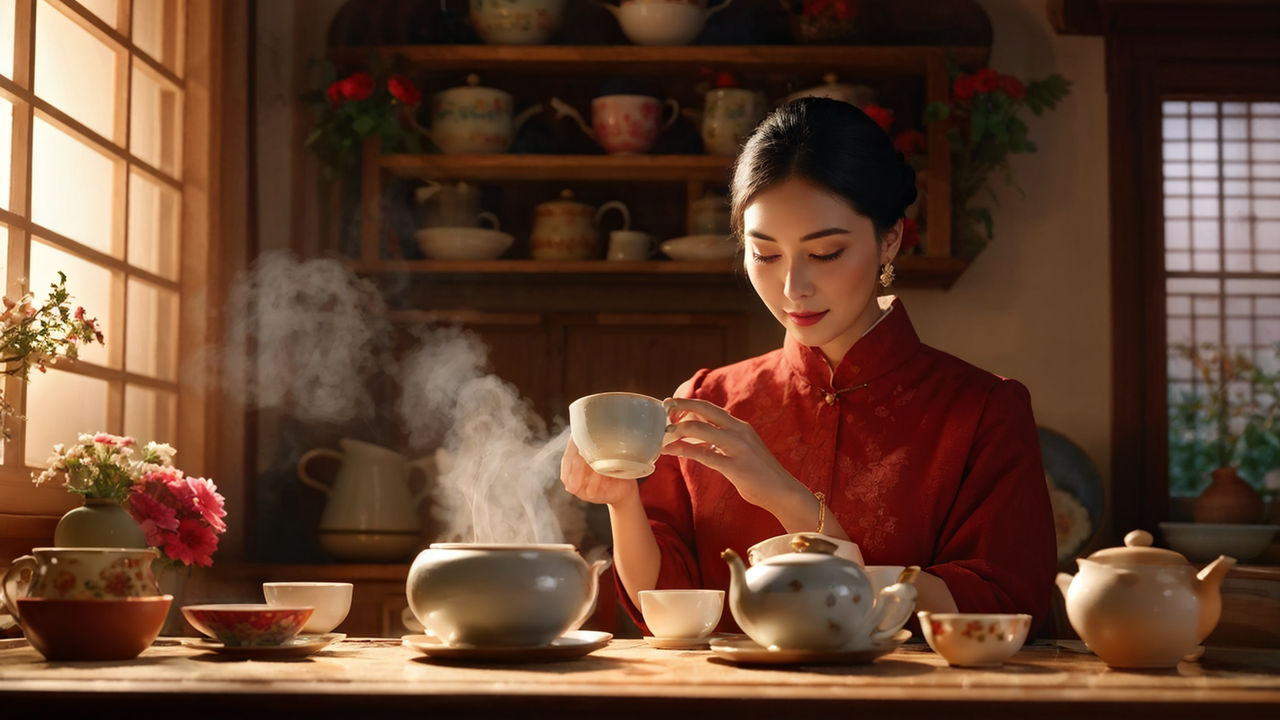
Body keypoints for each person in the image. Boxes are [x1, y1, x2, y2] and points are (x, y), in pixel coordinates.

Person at [560, 97, 1057, 635]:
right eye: (765, 254)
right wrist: (622, 501)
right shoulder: (710, 398)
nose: (793, 288)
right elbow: (671, 610)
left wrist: (789, 501)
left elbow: (1000, 610)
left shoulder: (983, 412)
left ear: (889, 238)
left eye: (826, 254)